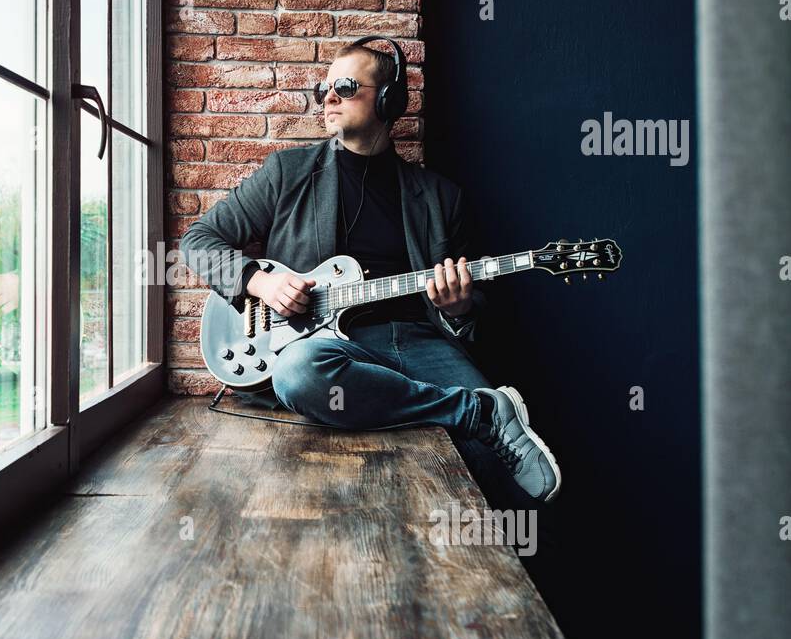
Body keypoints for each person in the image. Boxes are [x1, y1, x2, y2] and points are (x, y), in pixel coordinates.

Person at [180, 38, 562, 503]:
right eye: (324, 87)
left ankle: (482, 438)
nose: (328, 97)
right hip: (322, 347)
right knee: (297, 374)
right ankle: (476, 411)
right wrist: (262, 282)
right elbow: (197, 241)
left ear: (388, 100)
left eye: (344, 85)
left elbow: (472, 313)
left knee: (503, 478)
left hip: (417, 338)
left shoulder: (441, 198)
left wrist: (458, 308)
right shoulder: (288, 173)